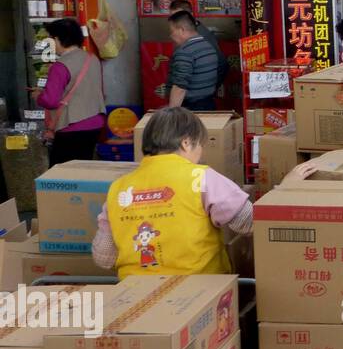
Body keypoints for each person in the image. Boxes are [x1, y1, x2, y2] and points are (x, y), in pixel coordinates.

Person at [91, 106, 316, 275]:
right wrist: (287, 187)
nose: (201, 152)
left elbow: (103, 257)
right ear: (186, 143)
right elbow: (249, 223)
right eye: (200, 145)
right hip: (198, 293)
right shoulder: (201, 178)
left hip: (136, 295)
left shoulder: (119, 188)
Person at [35, 18, 106, 165]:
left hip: (71, 126)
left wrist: (38, 95)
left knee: (62, 176)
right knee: (83, 171)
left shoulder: (60, 66)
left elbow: (50, 100)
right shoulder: (92, 59)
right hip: (95, 123)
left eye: (50, 38)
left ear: (57, 39)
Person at [167, 10, 222, 111]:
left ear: (181, 30)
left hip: (191, 109)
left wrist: (172, 115)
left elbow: (180, 88)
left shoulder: (185, 51)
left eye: (172, 31)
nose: (171, 36)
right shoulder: (208, 46)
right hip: (208, 104)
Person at [169, 0, 230, 85]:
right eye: (172, 17)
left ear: (191, 14)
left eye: (179, 16)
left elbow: (222, 65)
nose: (175, 21)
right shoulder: (183, 32)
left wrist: (207, 88)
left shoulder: (202, 35)